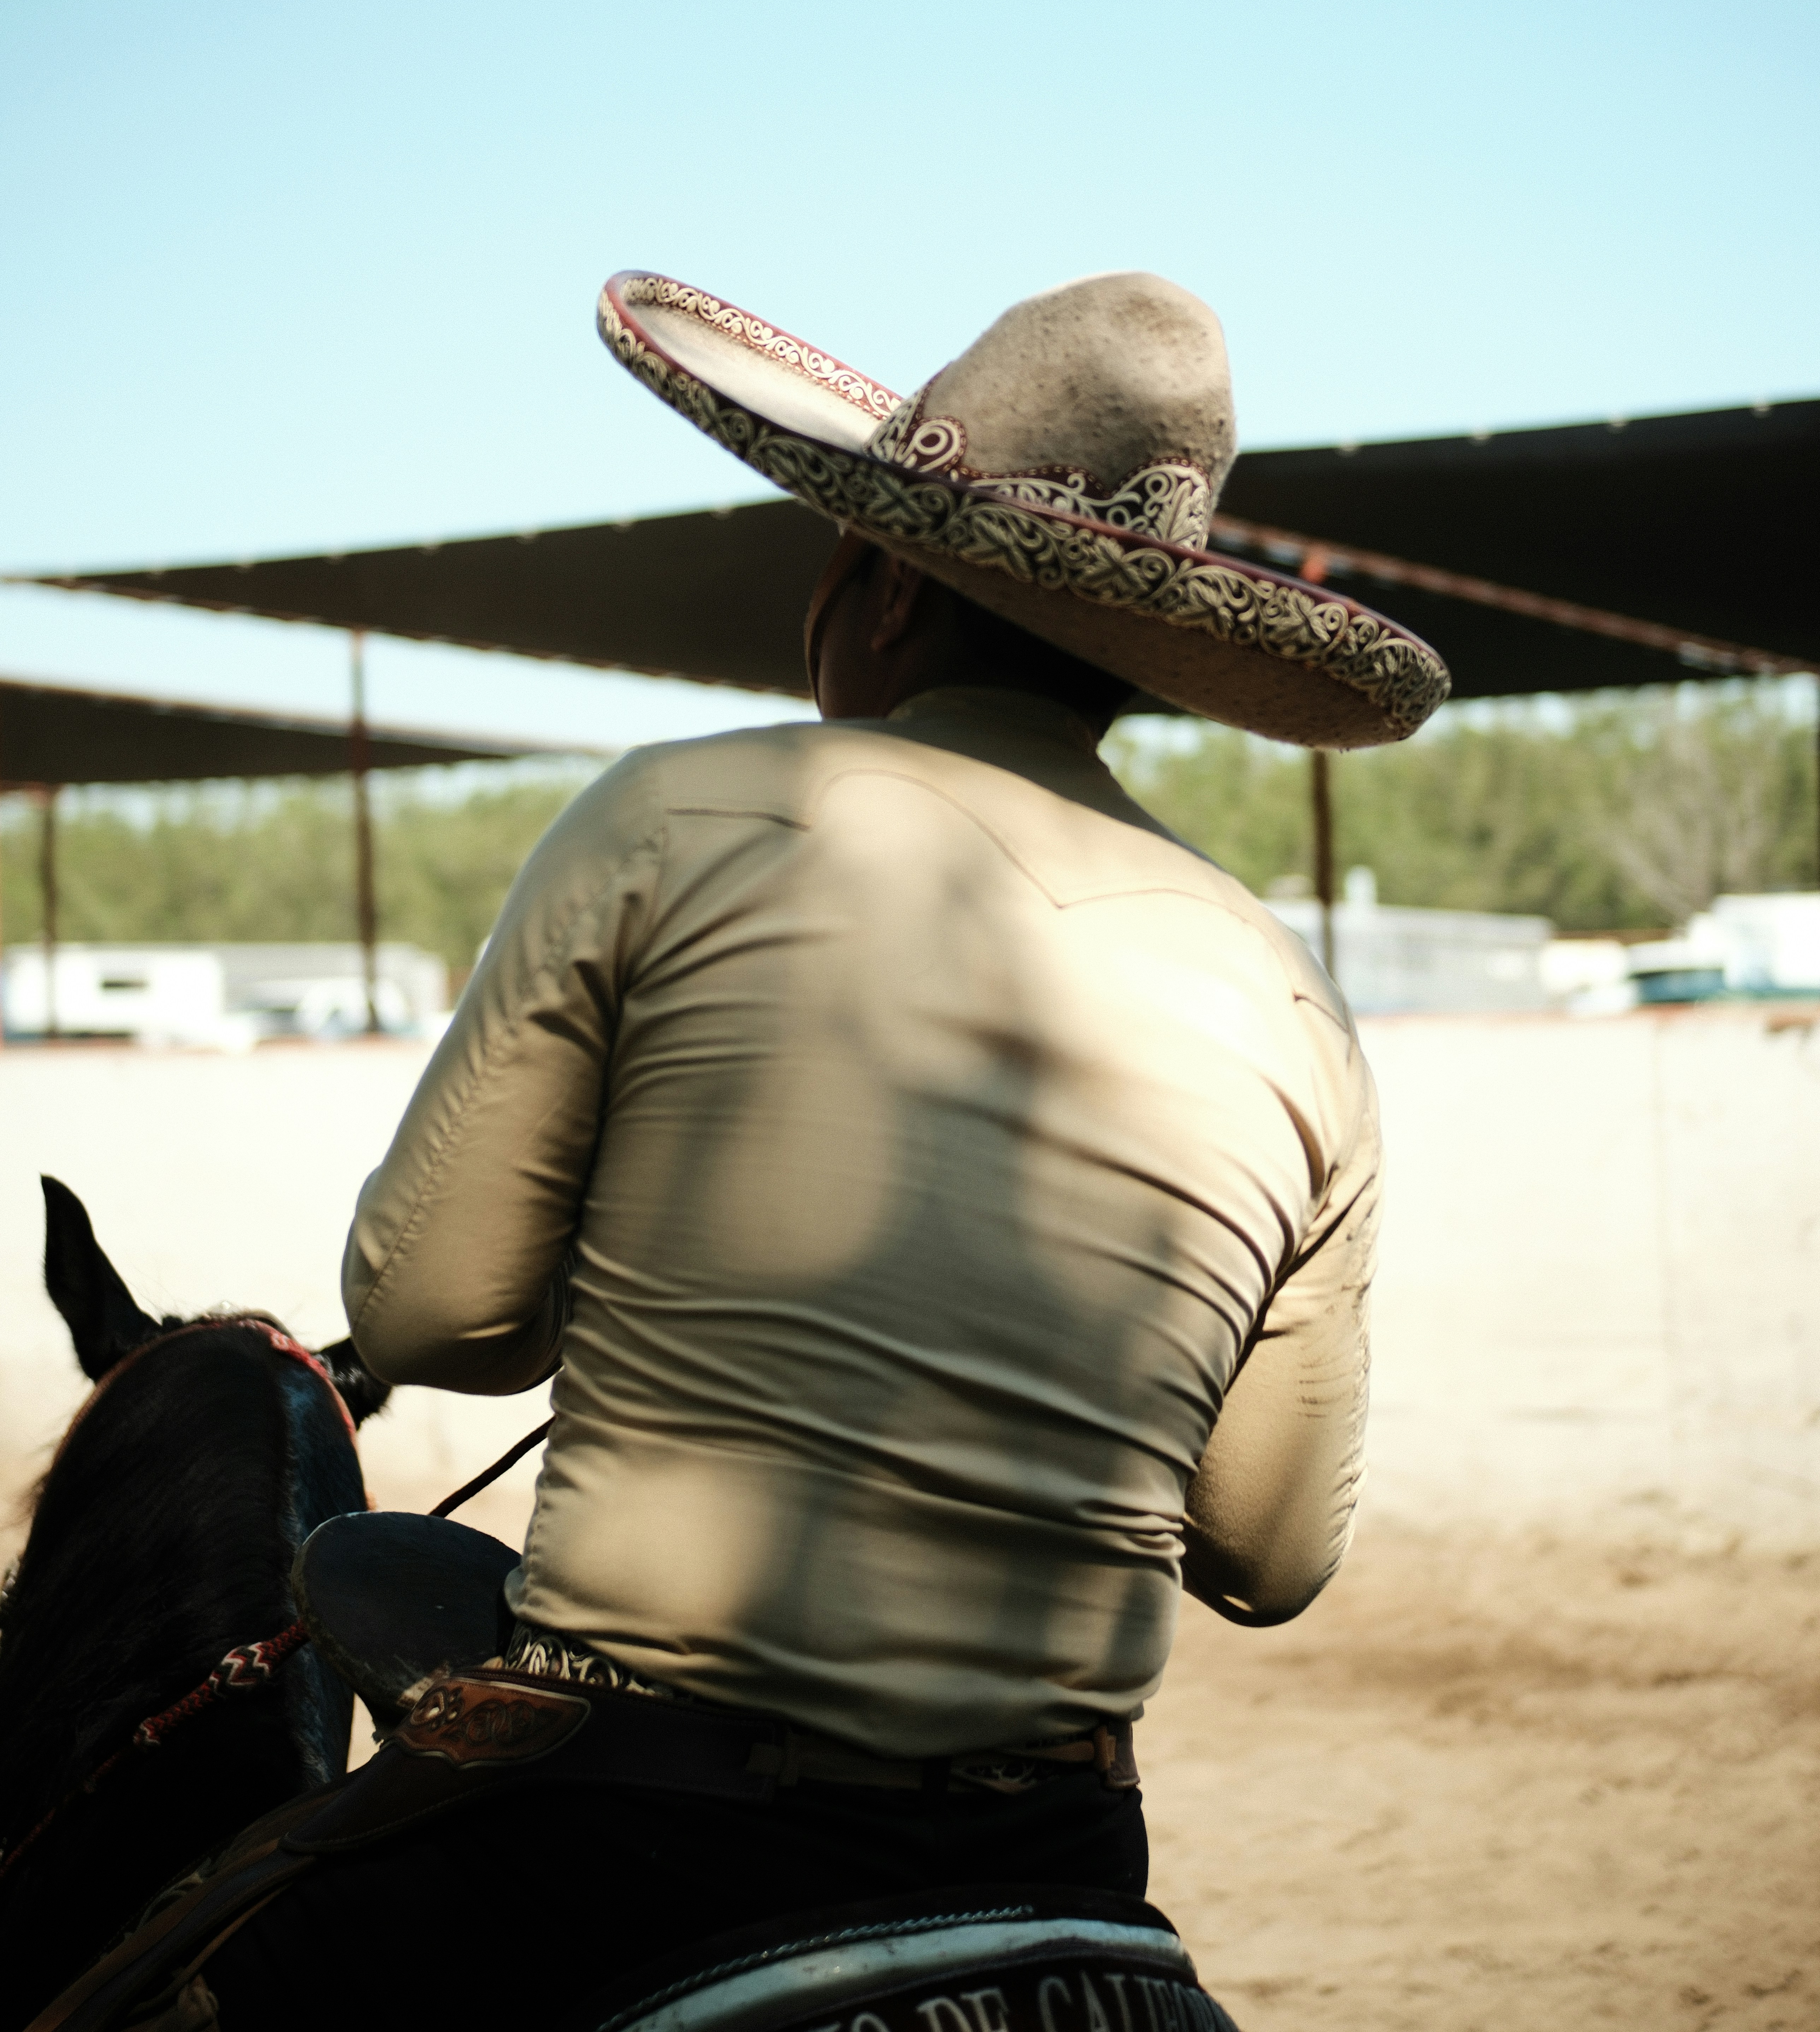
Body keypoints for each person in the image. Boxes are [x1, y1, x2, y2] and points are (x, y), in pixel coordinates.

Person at [197, 269, 1447, 2022]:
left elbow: (428, 1325)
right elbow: (1269, 1554)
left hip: (631, 1847)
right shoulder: (1295, 1003)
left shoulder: (671, 815)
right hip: (1069, 1857)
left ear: (868, 583)